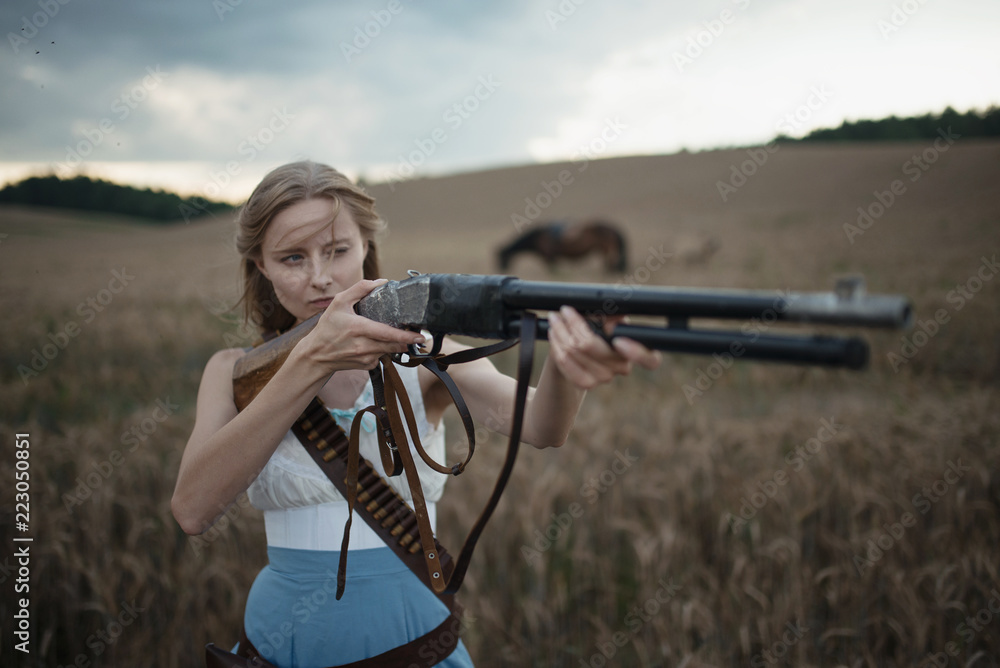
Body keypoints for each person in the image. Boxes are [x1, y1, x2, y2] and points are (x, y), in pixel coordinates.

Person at [171, 160, 661, 667]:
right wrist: (312, 361)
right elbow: (192, 509)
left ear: (366, 246)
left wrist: (566, 363)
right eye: (292, 258)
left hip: (414, 643)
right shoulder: (232, 371)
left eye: (338, 251)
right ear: (260, 264)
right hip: (282, 646)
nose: (320, 277)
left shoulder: (420, 353)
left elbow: (542, 426)